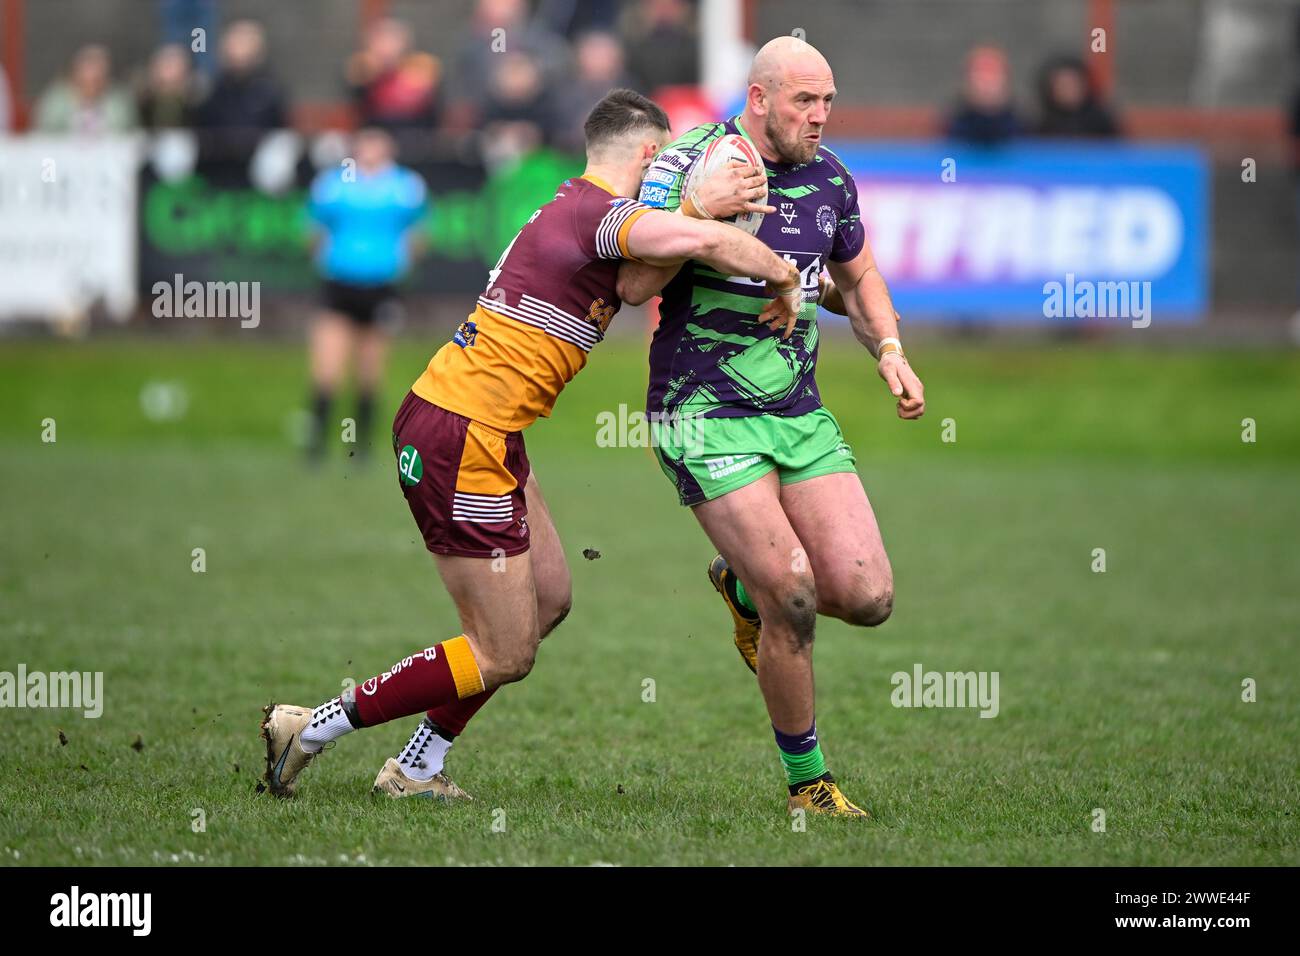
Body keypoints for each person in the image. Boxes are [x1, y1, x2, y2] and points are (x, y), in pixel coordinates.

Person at [261, 89, 802, 800]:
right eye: (664, 161)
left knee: (548, 598)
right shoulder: (601, 213)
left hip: (487, 427)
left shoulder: (586, 208)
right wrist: (784, 271)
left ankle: (416, 768)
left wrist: (694, 206)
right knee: (504, 650)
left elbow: (640, 284)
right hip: (460, 430)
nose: (669, 173)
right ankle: (311, 727)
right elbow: (698, 243)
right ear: (647, 156)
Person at [618, 36, 926, 817]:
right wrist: (694, 212)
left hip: (797, 412)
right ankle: (809, 786)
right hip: (703, 410)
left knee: (868, 595)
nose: (820, 117)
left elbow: (858, 276)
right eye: (804, 102)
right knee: (791, 588)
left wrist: (889, 348)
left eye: (828, 101)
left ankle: (741, 590)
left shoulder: (832, 178)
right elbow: (631, 282)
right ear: (759, 98)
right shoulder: (690, 159)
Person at [304, 128, 427, 465]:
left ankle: (359, 449)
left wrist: (399, 265)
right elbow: (314, 230)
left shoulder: (406, 186)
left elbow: (417, 233)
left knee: (370, 370)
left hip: (381, 288)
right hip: (340, 284)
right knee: (327, 368)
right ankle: (315, 445)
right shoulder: (333, 185)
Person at [195, 20, 287, 160]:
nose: (238, 51)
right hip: (215, 158)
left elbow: (279, 127)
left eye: (244, 43)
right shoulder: (213, 88)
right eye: (234, 44)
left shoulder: (269, 90)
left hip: (258, 156)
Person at [346, 17, 442, 135]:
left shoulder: (421, 73)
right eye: (381, 41)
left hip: (414, 139)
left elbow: (431, 115)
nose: (386, 47)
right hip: (375, 139)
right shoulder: (364, 73)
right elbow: (359, 109)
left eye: (392, 40)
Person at [34, 45, 137, 135]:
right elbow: (46, 131)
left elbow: (125, 130)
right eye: (86, 79)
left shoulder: (118, 101)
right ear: (75, 74)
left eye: (97, 80)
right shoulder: (56, 99)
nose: (91, 85)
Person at [944, 44, 1023, 145]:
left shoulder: (1028, 131)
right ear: (966, 81)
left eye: (993, 73)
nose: (986, 80)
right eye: (979, 73)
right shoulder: (945, 131)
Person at [1034, 54, 1119, 138]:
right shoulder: (1041, 126)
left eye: (1073, 84)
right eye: (1063, 85)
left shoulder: (1102, 124)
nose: (1069, 90)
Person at [137, 44, 200, 130]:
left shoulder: (198, 108)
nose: (166, 69)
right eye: (163, 63)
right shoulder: (143, 105)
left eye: (171, 63)